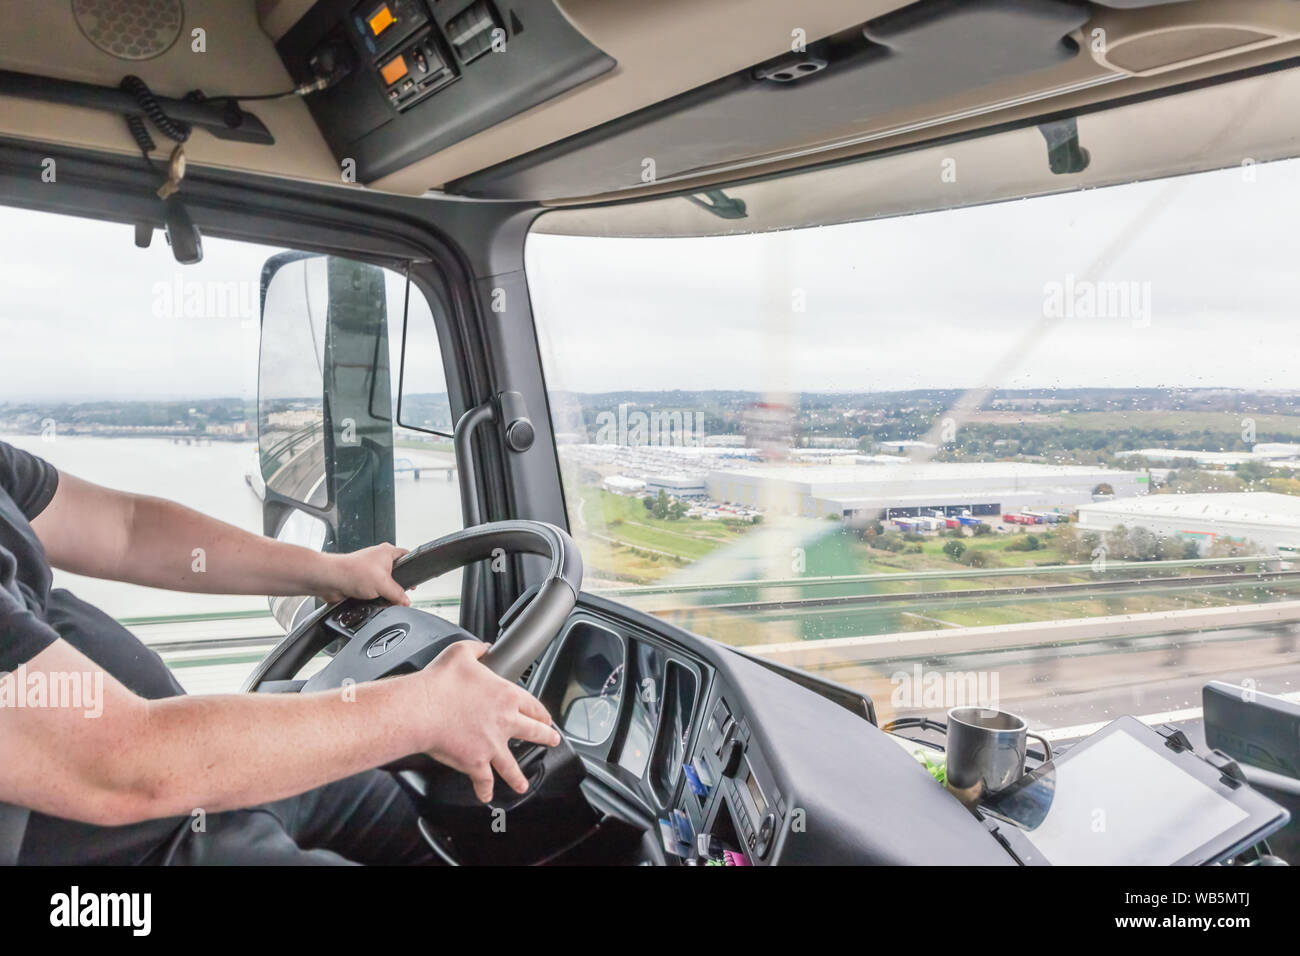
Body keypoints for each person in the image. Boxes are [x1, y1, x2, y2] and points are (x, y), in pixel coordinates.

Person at [0, 439, 559, 864]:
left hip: (196, 787)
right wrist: (426, 709)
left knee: (409, 811)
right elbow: (118, 765)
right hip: (133, 851)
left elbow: (128, 530)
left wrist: (330, 572)